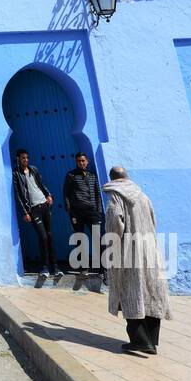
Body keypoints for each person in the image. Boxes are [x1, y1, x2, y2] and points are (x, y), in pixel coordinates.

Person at [102, 166, 172, 355]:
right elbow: (153, 221)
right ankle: (151, 341)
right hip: (150, 248)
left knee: (130, 292)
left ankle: (140, 341)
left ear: (113, 179)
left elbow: (115, 222)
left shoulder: (116, 196)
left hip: (129, 251)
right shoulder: (143, 196)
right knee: (150, 293)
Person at [12, 149, 61, 278]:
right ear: (18, 159)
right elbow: (18, 195)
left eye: (27, 158)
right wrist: (25, 212)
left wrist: (48, 194)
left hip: (44, 204)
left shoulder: (33, 169)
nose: (26, 160)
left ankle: (55, 267)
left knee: (49, 236)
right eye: (23, 158)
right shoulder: (16, 174)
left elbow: (41, 184)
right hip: (33, 209)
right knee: (43, 236)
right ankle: (45, 267)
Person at [64, 152, 105, 279]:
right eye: (79, 161)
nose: (81, 163)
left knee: (99, 240)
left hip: (93, 213)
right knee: (80, 239)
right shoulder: (71, 175)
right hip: (78, 213)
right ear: (76, 162)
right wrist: (71, 213)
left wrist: (98, 211)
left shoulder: (92, 175)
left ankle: (103, 269)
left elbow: (98, 194)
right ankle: (84, 267)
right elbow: (66, 195)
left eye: (83, 161)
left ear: (87, 161)